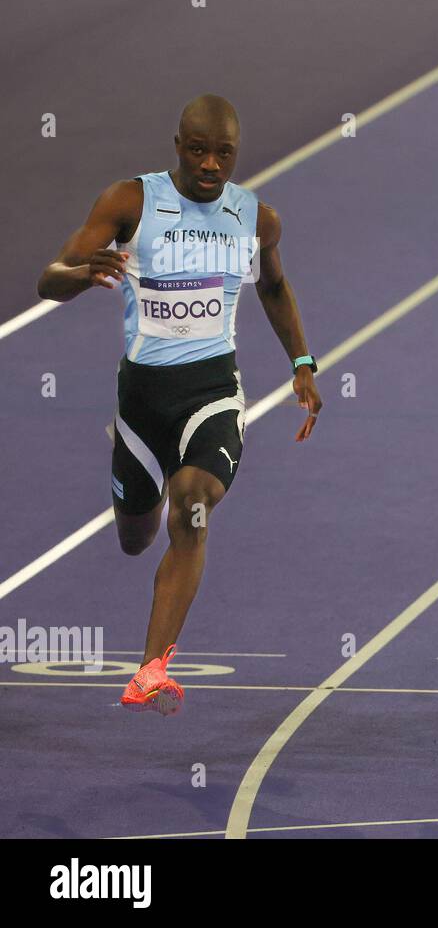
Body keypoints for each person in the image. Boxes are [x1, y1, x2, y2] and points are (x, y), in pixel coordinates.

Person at [37, 95, 323, 716]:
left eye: (224, 153)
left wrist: (302, 363)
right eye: (198, 150)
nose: (211, 165)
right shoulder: (130, 203)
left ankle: (151, 667)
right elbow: (48, 279)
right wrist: (84, 272)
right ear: (177, 146)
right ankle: (131, 464)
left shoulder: (254, 217)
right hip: (141, 401)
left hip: (212, 393)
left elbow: (273, 285)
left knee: (192, 507)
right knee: (135, 537)